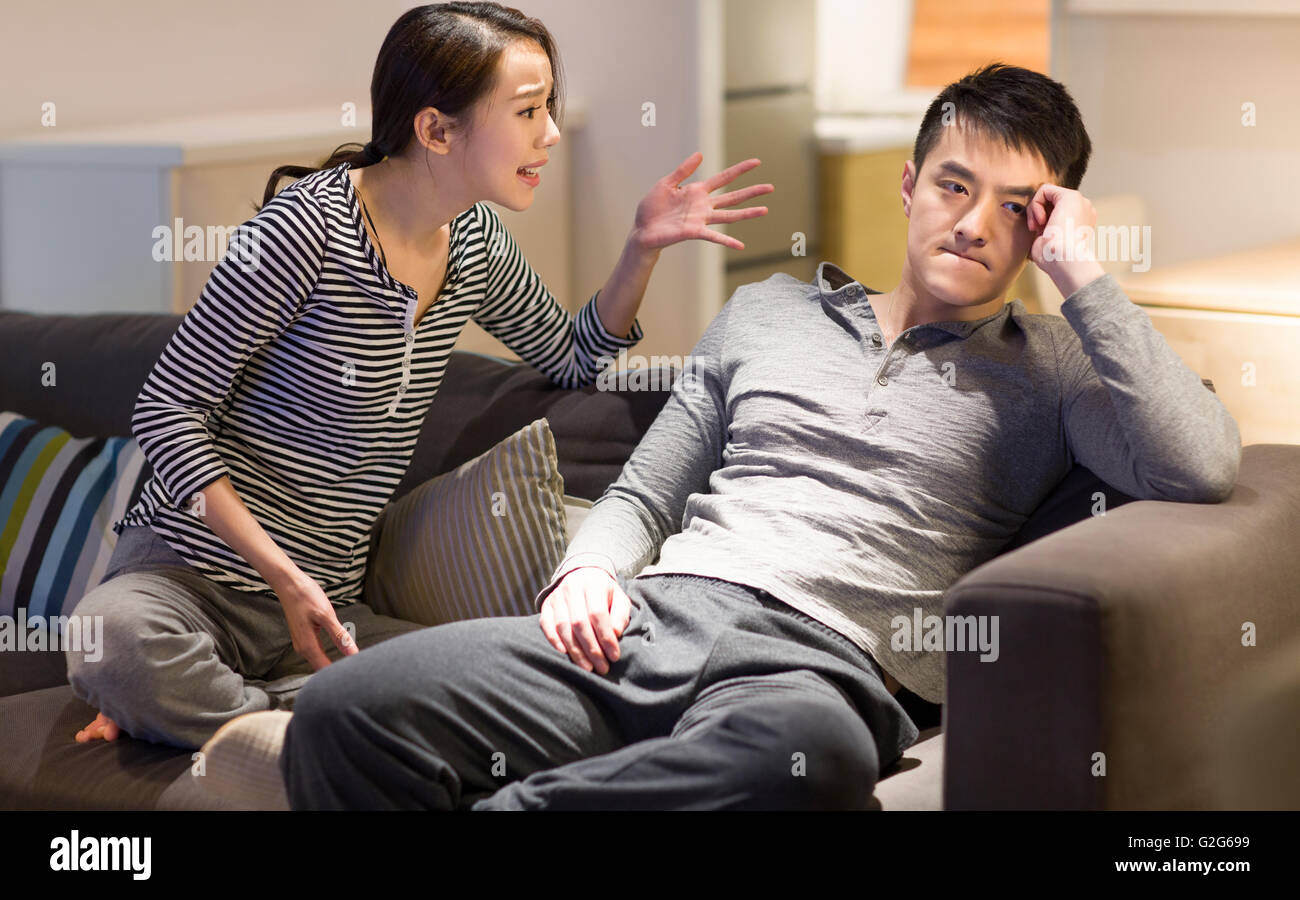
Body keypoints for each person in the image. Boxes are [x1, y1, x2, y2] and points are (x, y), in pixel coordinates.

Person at [274, 62, 1241, 809]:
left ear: (1045, 226)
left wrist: (1084, 276)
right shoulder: (767, 312)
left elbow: (1199, 465)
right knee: (342, 710)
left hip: (817, 673)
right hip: (649, 627)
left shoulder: (1056, 367)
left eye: (1017, 208)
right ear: (910, 185)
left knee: (808, 763)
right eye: (955, 186)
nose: (974, 223)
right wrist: (588, 571)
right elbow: (646, 491)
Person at [64, 0, 772, 751]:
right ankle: (283, 727)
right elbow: (167, 408)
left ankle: (247, 723)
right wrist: (283, 577)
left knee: (484, 691)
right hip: (192, 582)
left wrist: (641, 247)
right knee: (112, 640)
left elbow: (572, 356)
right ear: (436, 129)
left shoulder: (473, 242)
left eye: (549, 108)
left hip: (330, 613)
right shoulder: (300, 233)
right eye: (528, 110)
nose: (552, 134)